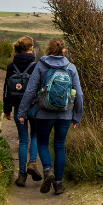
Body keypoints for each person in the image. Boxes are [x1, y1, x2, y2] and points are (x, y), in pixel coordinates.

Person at [17, 37, 83, 195]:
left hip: (44, 113)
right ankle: (58, 183)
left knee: (42, 143)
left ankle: (47, 170)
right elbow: (79, 94)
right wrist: (76, 117)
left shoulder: (41, 65)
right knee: (59, 146)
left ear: (48, 49)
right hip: (65, 114)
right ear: (63, 51)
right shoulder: (71, 67)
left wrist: (22, 112)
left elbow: (30, 91)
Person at [3, 36, 41, 187]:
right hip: (34, 107)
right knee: (35, 135)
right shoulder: (36, 66)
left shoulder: (11, 66)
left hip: (19, 109)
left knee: (23, 140)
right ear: (31, 48)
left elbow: (6, 90)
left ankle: (21, 175)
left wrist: (7, 110)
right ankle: (32, 162)